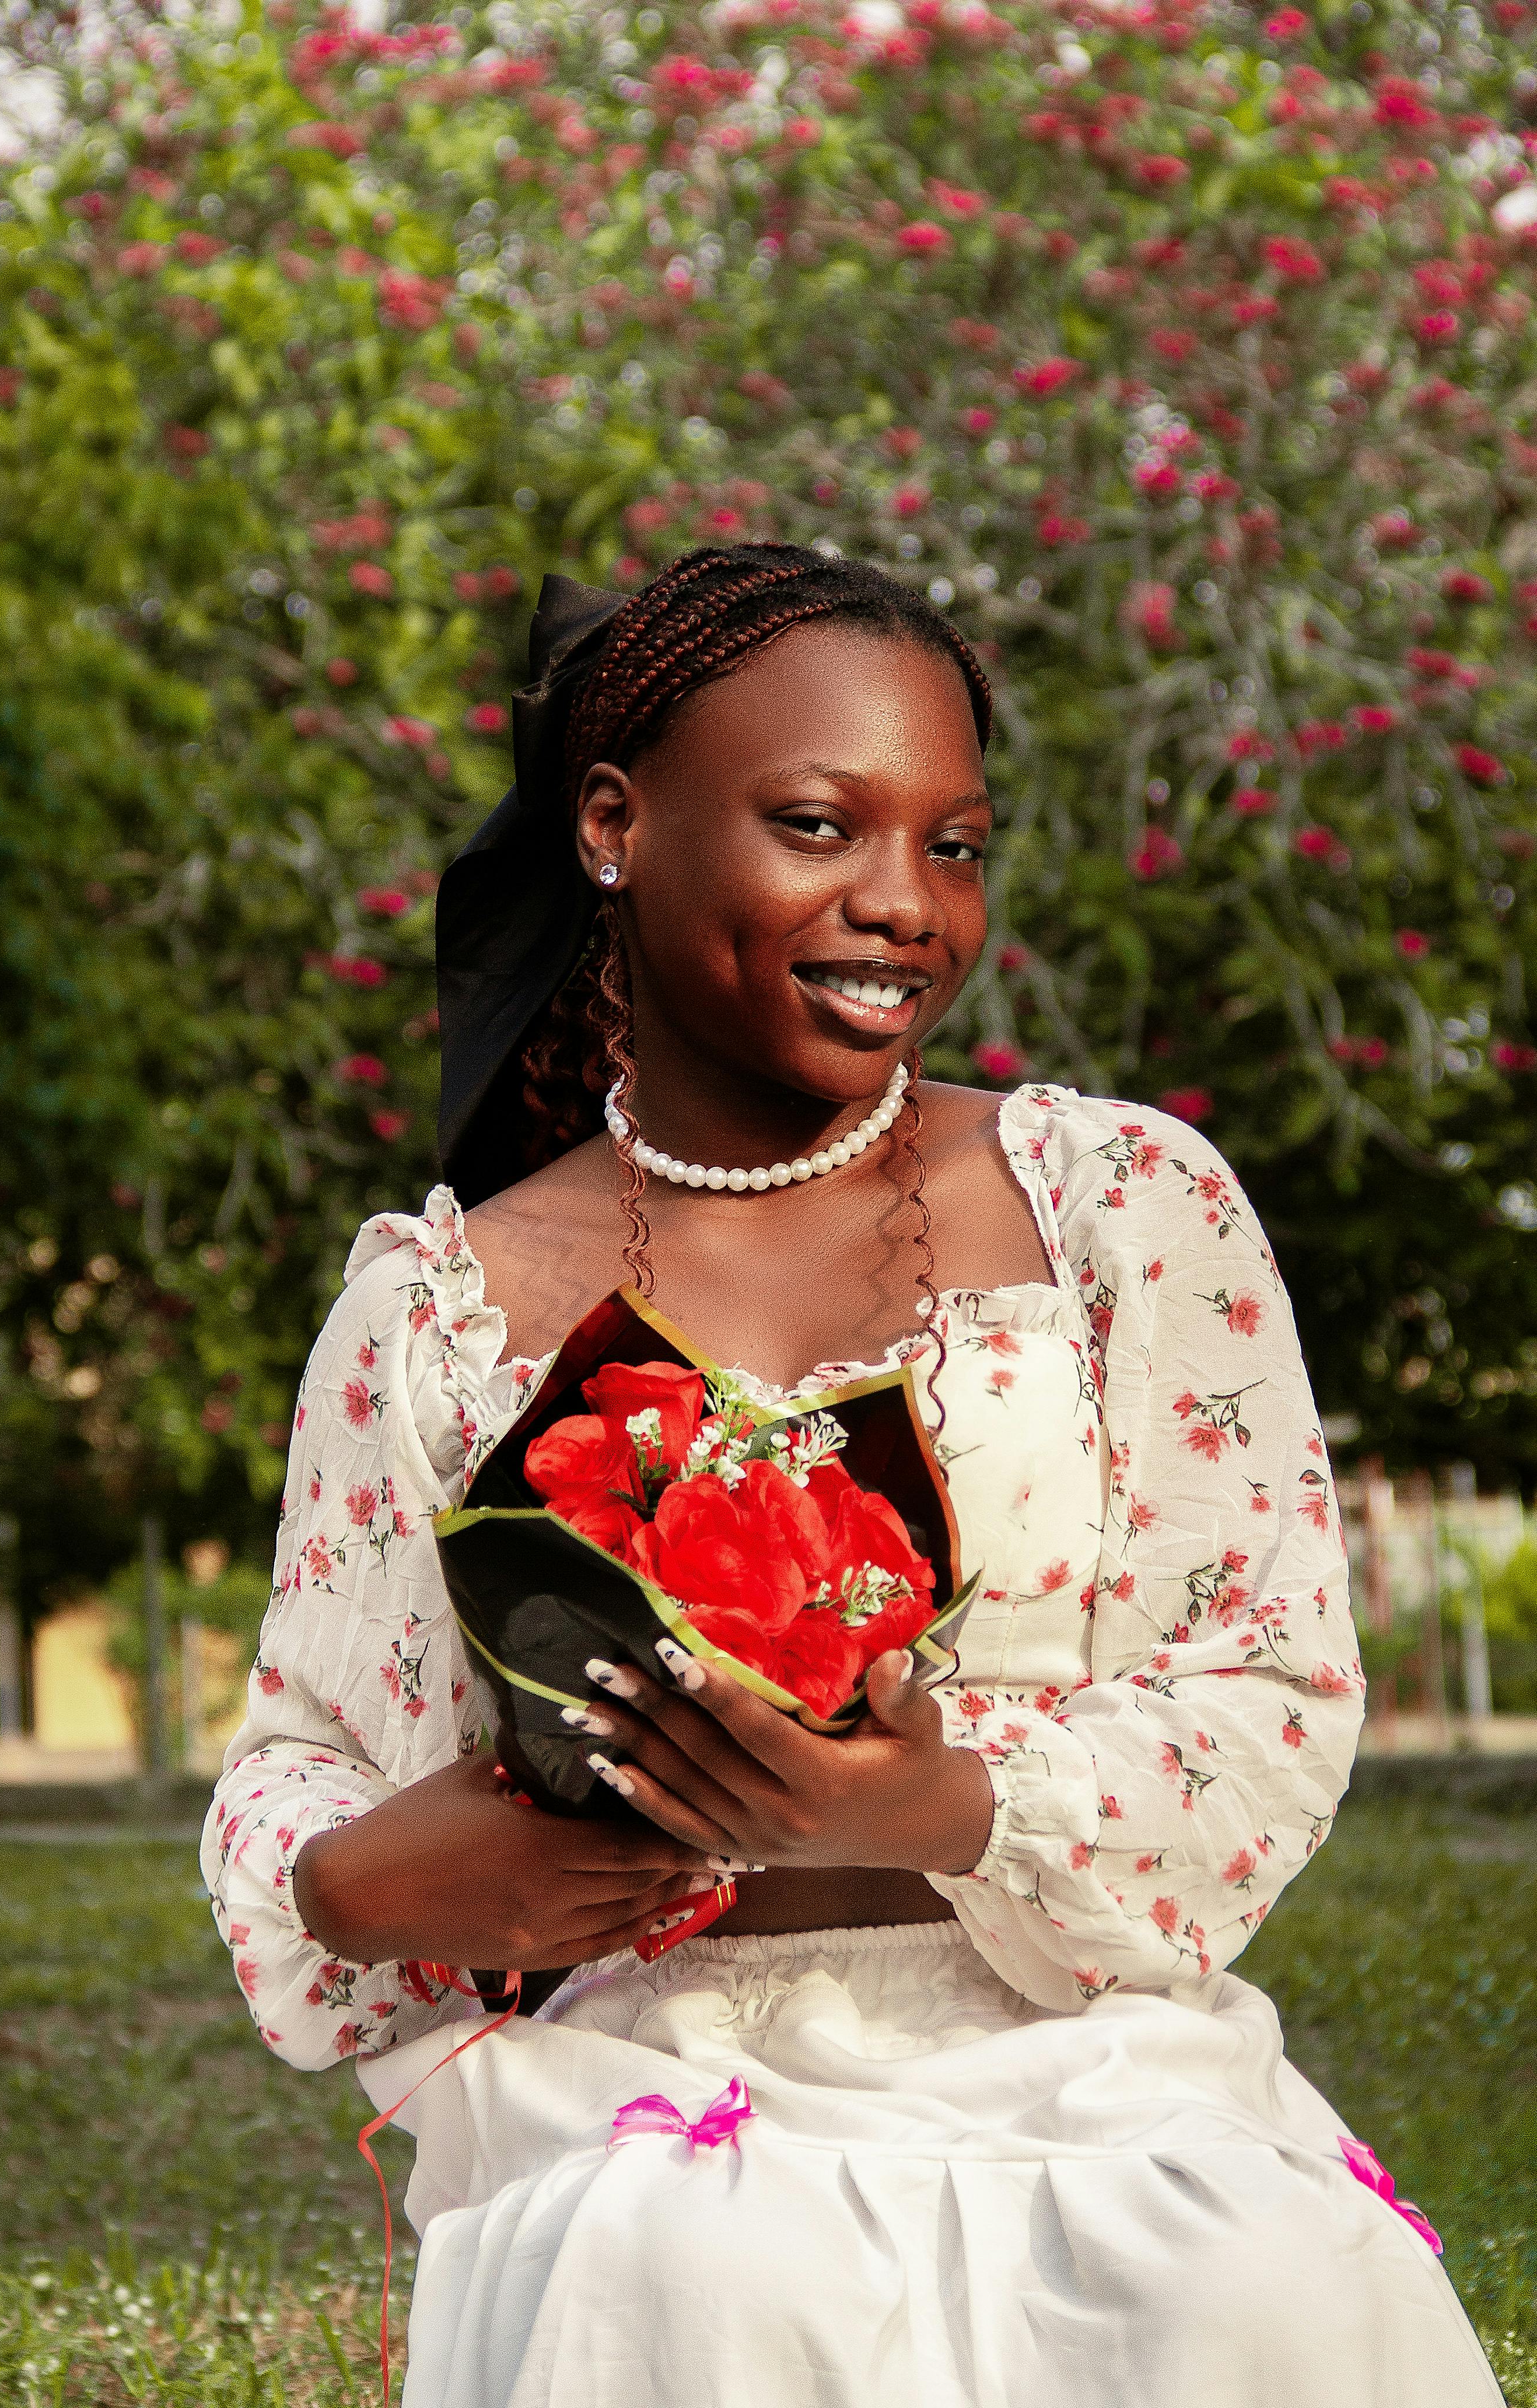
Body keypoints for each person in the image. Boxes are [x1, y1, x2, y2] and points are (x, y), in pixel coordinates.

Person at [204, 545, 1500, 2407]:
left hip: (1091, 2054)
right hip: (653, 2089)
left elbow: (1269, 1688)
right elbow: (303, 1760)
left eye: (955, 846)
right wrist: (372, 1884)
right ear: (611, 825)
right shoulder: (440, 1313)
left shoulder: (1121, 1209)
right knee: (707, 2281)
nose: (904, 907)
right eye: (819, 826)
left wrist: (928, 1799)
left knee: (1234, 2279)